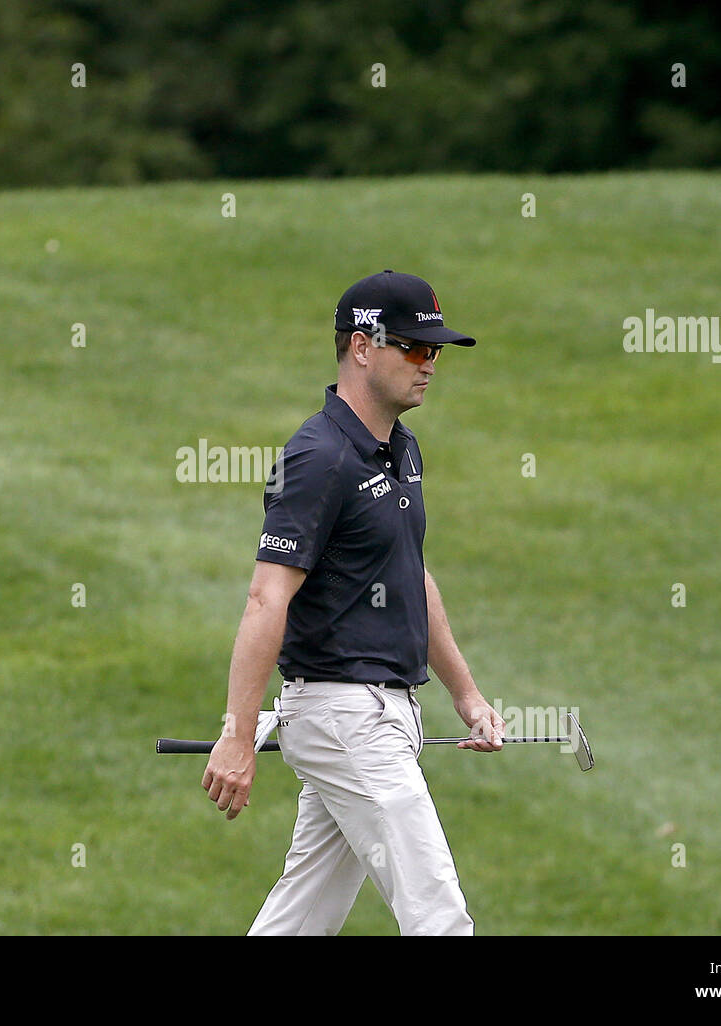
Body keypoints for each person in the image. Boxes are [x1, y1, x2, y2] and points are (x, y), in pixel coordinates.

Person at [201, 270, 506, 936]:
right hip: (349, 720)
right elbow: (265, 599)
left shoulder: (401, 451)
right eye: (415, 348)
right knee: (440, 916)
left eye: (437, 353)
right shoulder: (317, 458)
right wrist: (236, 736)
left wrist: (467, 694)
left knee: (300, 921)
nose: (430, 366)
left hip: (376, 715)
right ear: (363, 348)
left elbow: (411, 578)